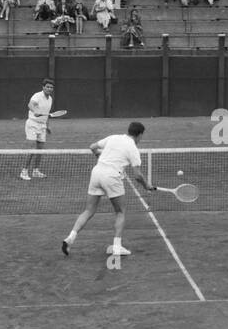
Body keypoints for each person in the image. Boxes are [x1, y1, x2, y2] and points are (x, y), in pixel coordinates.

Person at [61, 121, 153, 258]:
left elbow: (92, 147)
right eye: (142, 136)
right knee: (120, 212)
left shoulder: (113, 137)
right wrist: (146, 186)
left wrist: (100, 156)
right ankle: (116, 247)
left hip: (96, 173)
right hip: (112, 177)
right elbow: (137, 175)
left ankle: (70, 237)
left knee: (89, 210)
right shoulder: (132, 148)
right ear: (139, 135)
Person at [20, 79, 54, 181]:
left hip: (42, 126)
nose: (49, 89)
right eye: (47, 87)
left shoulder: (50, 99)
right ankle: (24, 171)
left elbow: (47, 114)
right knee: (31, 149)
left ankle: (35, 171)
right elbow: (30, 105)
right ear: (43, 87)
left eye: (51, 87)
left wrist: (47, 126)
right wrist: (35, 111)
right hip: (33, 124)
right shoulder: (37, 96)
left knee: (40, 150)